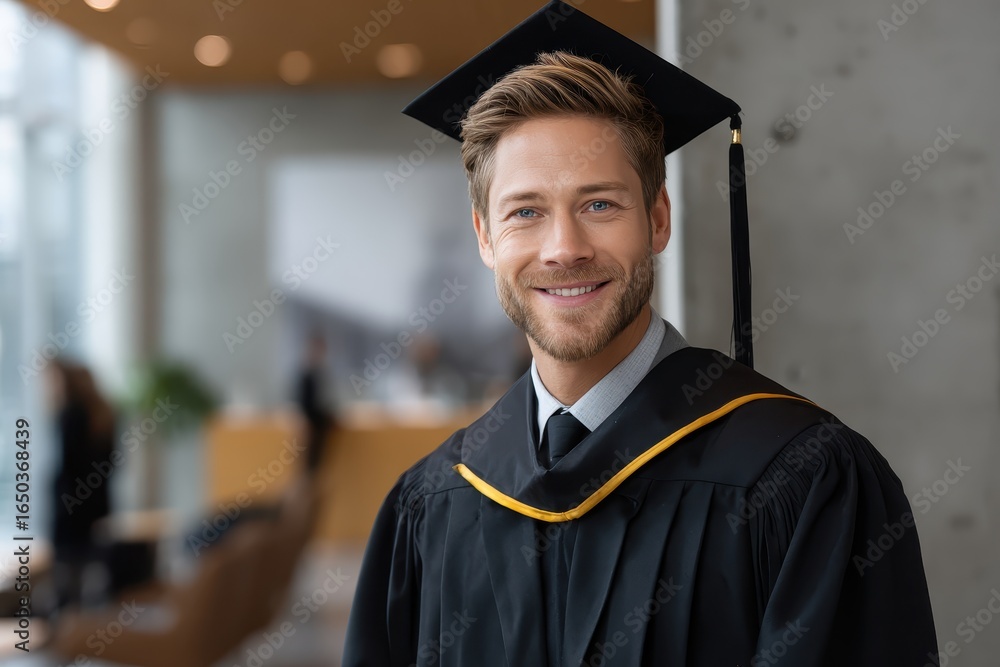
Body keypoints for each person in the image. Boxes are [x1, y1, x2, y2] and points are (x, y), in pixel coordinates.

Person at [343, 2, 938, 665]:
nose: (563, 248)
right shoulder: (435, 504)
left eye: (599, 204)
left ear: (657, 219)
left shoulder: (802, 480)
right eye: (526, 211)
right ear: (485, 236)